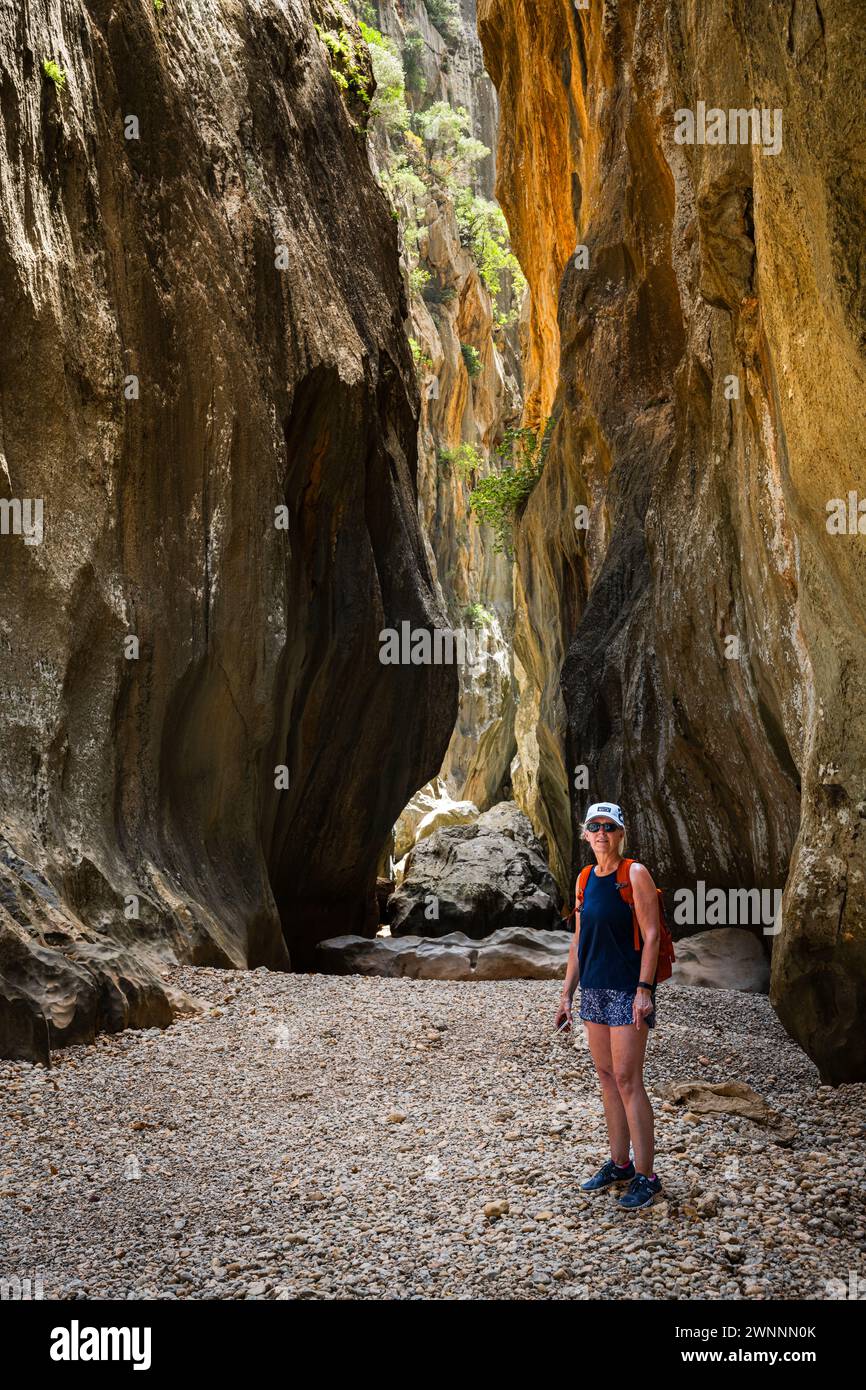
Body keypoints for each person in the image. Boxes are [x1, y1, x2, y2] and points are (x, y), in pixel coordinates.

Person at [554, 801, 663, 1209]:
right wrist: (567, 993)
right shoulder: (585, 878)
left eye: (609, 827)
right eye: (594, 827)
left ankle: (646, 1175)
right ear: (585, 834)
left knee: (628, 1079)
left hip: (626, 989)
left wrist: (644, 989)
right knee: (606, 1076)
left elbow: (651, 936)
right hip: (595, 990)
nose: (601, 833)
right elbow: (579, 943)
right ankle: (619, 1163)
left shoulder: (634, 873)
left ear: (621, 833)